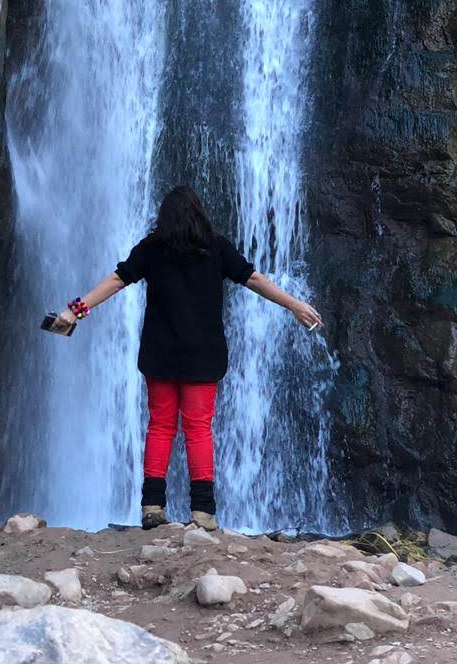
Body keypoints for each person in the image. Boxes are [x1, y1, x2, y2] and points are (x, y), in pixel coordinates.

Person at [56, 185, 322, 531]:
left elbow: (117, 280)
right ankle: (203, 513)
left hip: (160, 356)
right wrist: (294, 304)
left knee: (160, 426)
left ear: (164, 218)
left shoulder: (152, 249)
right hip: (202, 357)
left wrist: (75, 311)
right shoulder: (216, 248)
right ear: (199, 214)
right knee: (198, 430)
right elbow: (253, 279)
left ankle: (152, 506)